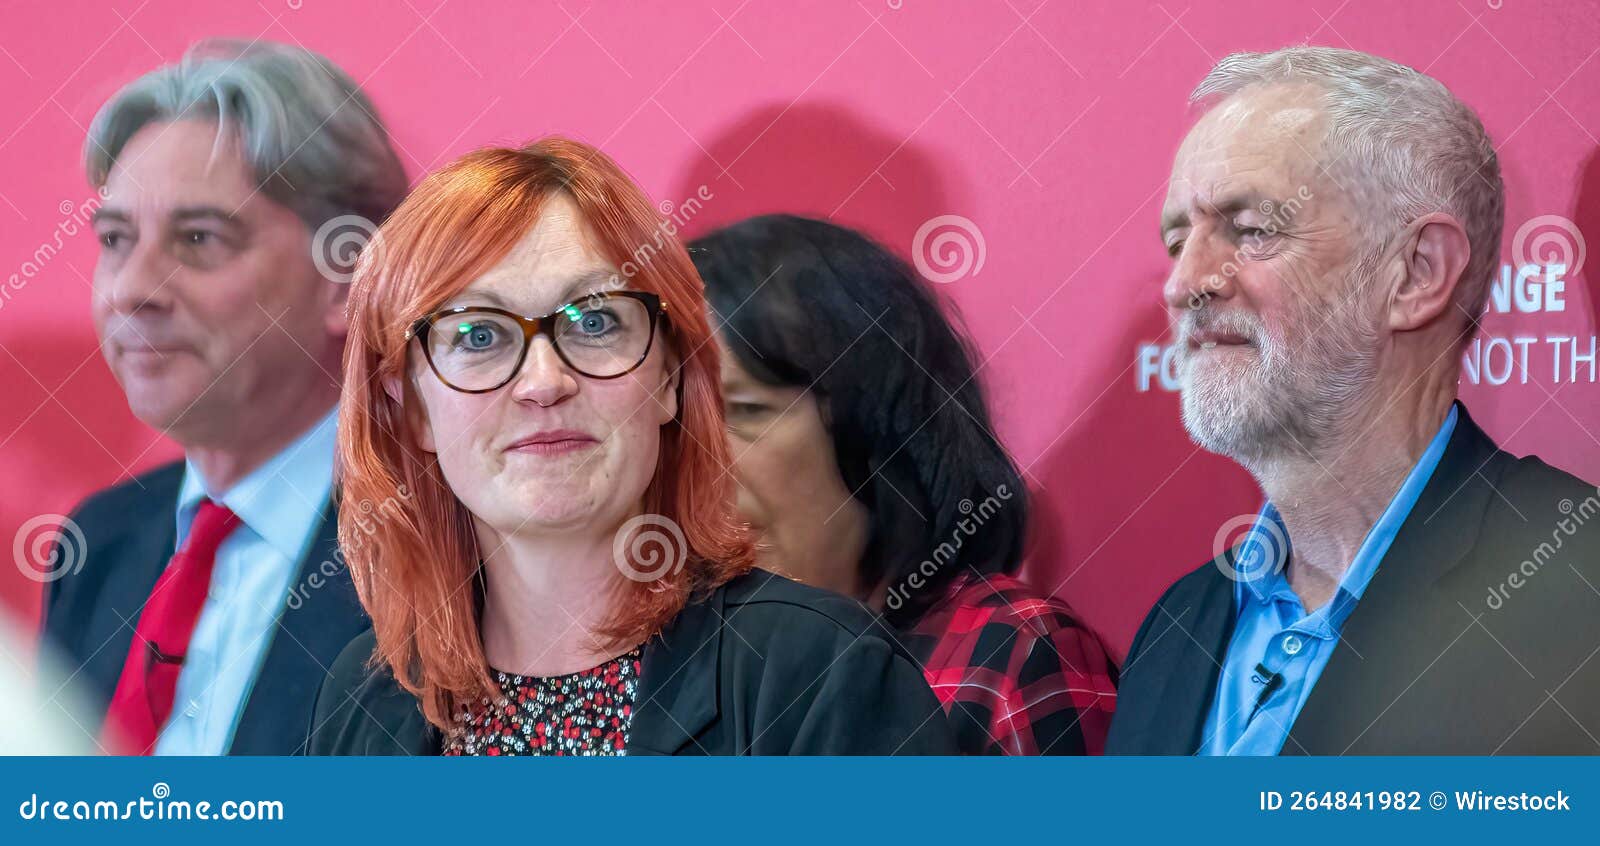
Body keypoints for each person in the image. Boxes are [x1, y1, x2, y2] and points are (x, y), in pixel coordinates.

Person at [306, 138, 955, 756]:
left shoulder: (824, 673)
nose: (544, 383)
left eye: (594, 322)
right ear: (411, 407)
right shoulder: (363, 702)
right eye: (478, 335)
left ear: (669, 377)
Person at [1108, 46, 1600, 755]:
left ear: (1416, 273)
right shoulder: (1178, 628)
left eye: (1249, 231)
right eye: (1178, 241)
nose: (1185, 284)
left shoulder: (1576, 594)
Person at [40, 40, 406, 755]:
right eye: (116, 239)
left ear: (346, 273)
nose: (132, 291)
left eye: (198, 238)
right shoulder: (98, 544)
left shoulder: (446, 548)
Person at [691, 215, 1117, 755]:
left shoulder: (1007, 658)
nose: (696, 463)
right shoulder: (672, 659)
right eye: (671, 422)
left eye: (745, 412)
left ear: (877, 426)